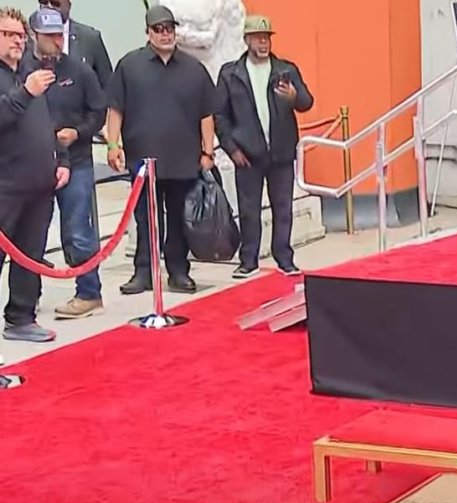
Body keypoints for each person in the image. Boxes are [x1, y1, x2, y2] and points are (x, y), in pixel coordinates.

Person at [106, 4, 217, 295]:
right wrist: (113, 144)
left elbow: (207, 113)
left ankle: (178, 272)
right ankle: (143, 273)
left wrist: (208, 152)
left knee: (179, 219)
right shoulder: (129, 65)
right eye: (159, 29)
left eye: (169, 28)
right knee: (145, 220)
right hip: (142, 161)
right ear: (148, 33)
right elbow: (115, 108)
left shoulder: (194, 69)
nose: (166, 34)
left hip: (184, 160)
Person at [215, 15, 313, 278]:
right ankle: (248, 260)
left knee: (283, 208)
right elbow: (220, 116)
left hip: (280, 152)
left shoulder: (286, 70)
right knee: (249, 210)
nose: (263, 42)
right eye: (258, 37)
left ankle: (284, 257)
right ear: (247, 40)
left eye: (267, 37)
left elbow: (307, 101)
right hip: (247, 154)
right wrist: (232, 149)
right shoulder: (231, 73)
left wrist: (294, 97)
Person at [27, 6, 106, 319]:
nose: (56, 42)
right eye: (49, 36)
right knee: (32, 233)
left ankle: (89, 293)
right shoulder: (22, 72)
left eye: (59, 35)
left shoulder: (80, 71)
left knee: (77, 230)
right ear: (35, 36)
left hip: (77, 161)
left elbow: (98, 111)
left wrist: (79, 131)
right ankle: (27, 296)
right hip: (33, 165)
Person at [0, 5, 69, 360]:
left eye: (19, 35)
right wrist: (24, 93)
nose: (16, 40)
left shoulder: (31, 71)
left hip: (40, 183)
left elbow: (49, 121)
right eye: (7, 34)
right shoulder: (24, 82)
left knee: (31, 254)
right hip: (4, 186)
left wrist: (63, 160)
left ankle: (21, 316)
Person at [35, 0, 111, 88]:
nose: (49, 8)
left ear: (69, 5)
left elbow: (107, 85)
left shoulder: (90, 38)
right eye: (44, 3)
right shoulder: (30, 37)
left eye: (55, 3)